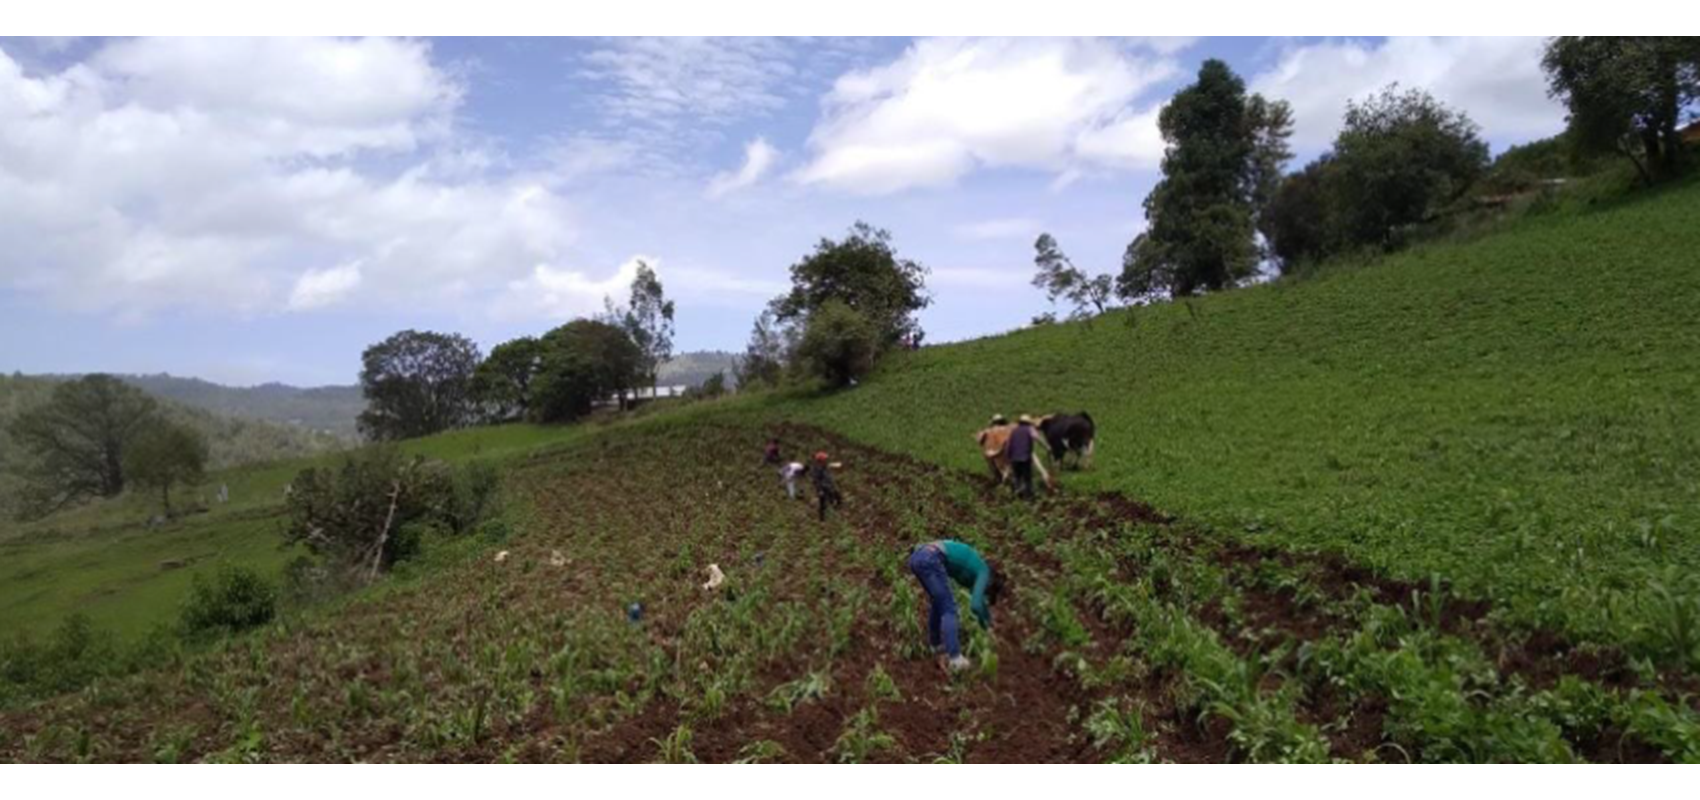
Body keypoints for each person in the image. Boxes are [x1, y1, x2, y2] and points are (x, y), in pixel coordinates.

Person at [907, 541, 1005, 673]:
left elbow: (979, 601)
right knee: (949, 608)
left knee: (938, 602)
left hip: (918, 557)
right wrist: (987, 626)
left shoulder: (975, 568)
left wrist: (986, 618)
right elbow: (976, 605)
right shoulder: (984, 571)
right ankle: (955, 658)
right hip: (930, 558)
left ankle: (936, 645)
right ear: (991, 583)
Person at [1008, 415, 1040, 500]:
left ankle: (1016, 493)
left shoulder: (1014, 431)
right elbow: (1037, 438)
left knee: (1017, 476)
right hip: (1025, 457)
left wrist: (1009, 456)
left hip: (1014, 458)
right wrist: (1047, 447)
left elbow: (1009, 445)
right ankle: (1028, 495)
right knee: (1027, 478)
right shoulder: (1029, 429)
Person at [811, 452, 843, 521]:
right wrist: (819, 490)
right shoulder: (817, 469)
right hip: (823, 487)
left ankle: (833, 509)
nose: (826, 460)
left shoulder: (824, 466)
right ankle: (822, 519)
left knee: (836, 496)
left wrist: (836, 465)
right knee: (823, 503)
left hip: (829, 486)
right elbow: (816, 480)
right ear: (821, 460)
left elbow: (831, 466)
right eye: (825, 459)